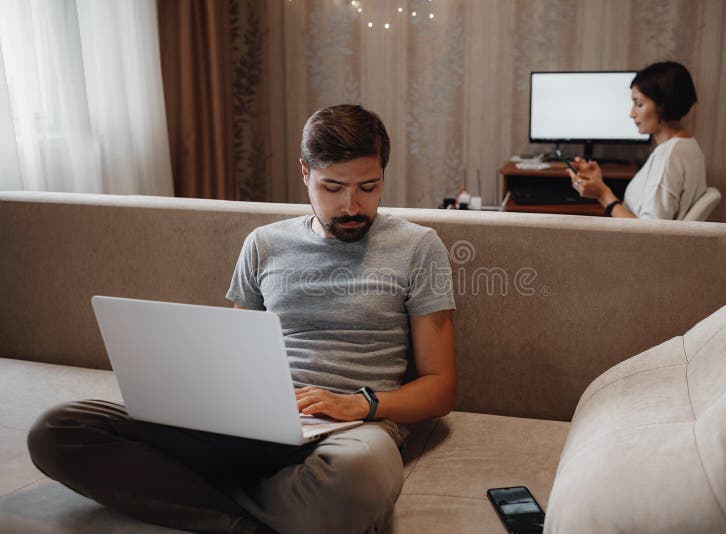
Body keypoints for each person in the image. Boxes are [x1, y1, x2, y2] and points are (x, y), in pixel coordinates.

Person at [26, 104, 457, 533]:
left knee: (356, 478)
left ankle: (206, 501)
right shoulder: (264, 244)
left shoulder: (418, 247)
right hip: (253, 422)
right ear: (305, 172)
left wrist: (361, 404)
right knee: (58, 430)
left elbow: (440, 387)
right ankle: (249, 520)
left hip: (352, 431)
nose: (351, 205)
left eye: (368, 186)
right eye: (333, 187)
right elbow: (235, 353)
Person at [568, 61, 707, 219]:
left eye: (638, 104)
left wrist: (602, 195)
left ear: (662, 105)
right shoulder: (689, 146)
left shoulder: (669, 156)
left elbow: (647, 235)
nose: (632, 113)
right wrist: (601, 186)